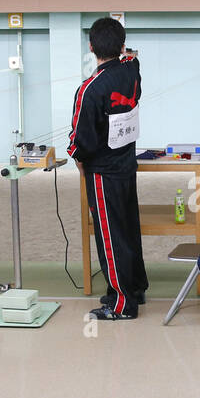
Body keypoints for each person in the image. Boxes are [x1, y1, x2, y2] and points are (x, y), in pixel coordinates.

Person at [69, 17, 148, 320]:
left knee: (110, 237)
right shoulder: (131, 71)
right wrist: (125, 52)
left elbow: (81, 141)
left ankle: (122, 304)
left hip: (102, 173)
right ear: (122, 46)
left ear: (91, 47)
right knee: (127, 230)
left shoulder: (89, 89)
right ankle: (135, 288)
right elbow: (132, 59)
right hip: (126, 165)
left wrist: (77, 159)